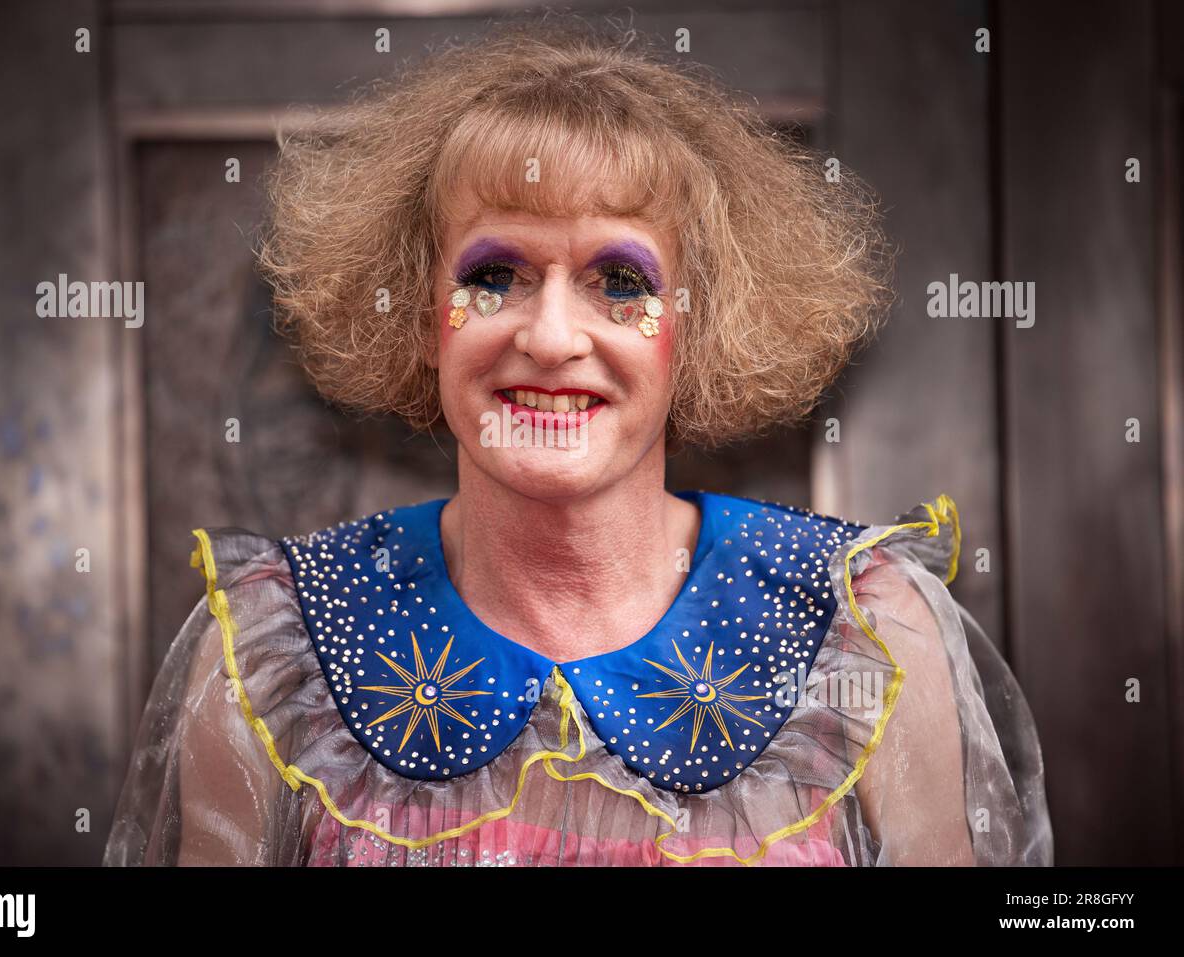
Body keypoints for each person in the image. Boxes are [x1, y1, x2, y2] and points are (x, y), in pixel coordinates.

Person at [104, 16, 1052, 866]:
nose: (552, 338)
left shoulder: (866, 633)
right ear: (421, 313)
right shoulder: (277, 648)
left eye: (622, 283)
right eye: (496, 274)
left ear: (703, 327)